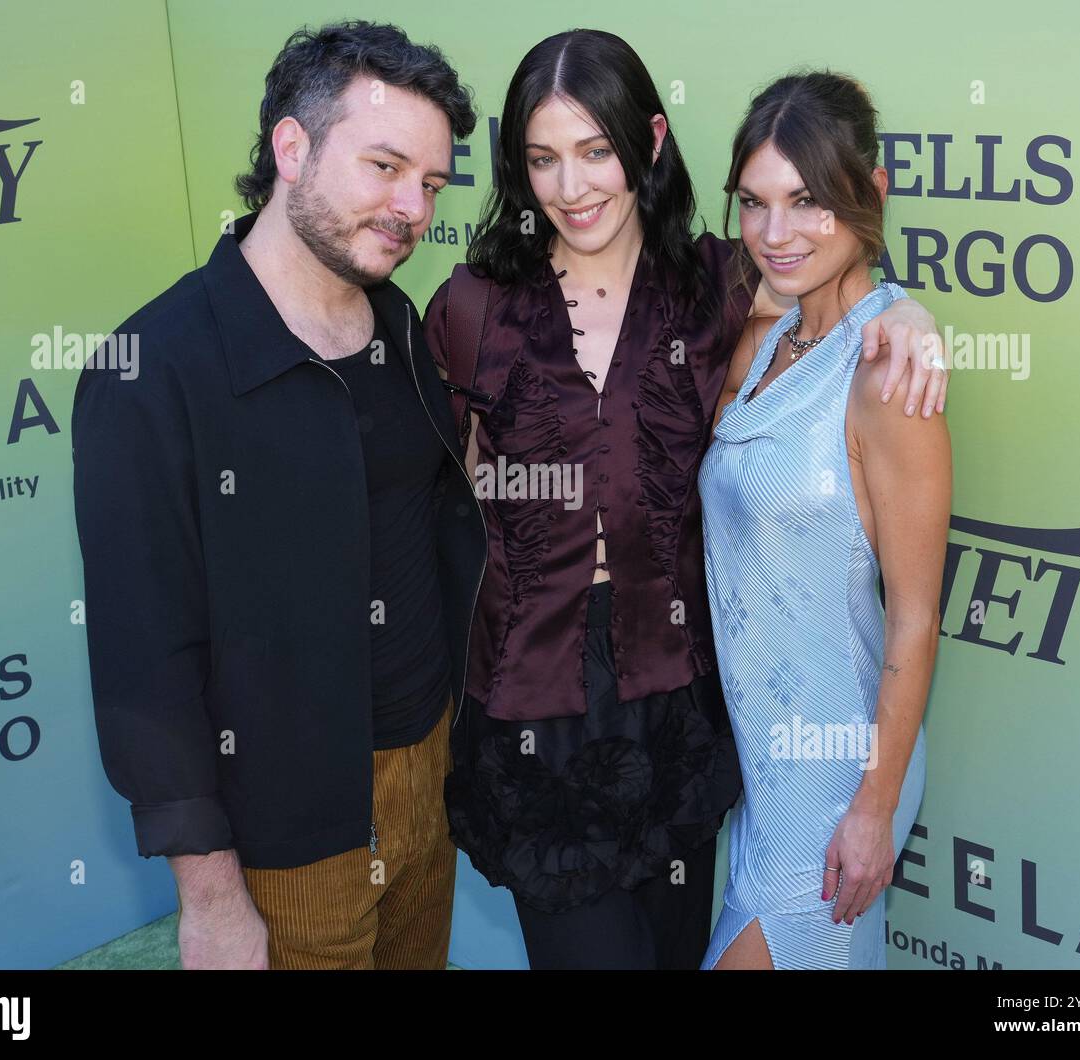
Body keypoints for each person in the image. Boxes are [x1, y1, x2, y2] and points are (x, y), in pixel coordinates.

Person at [423, 30, 948, 970]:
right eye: (543, 158)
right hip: (533, 708)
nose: (572, 186)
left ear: (649, 141)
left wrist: (908, 310)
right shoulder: (472, 308)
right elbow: (439, 505)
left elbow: (834, 302)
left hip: (678, 705)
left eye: (596, 151)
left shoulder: (718, 284)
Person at [71, 21, 485, 969]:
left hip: (429, 779)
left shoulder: (397, 321)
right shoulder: (152, 373)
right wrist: (211, 899)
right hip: (287, 836)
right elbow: (145, 665)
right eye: (384, 165)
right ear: (290, 149)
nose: (409, 207)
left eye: (430, 183)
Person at [699, 71, 952, 970]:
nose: (775, 233)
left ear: (869, 193)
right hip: (761, 769)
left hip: (837, 768)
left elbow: (916, 616)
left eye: (807, 201)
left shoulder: (891, 372)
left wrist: (874, 805)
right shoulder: (771, 332)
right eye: (755, 203)